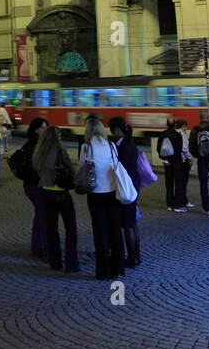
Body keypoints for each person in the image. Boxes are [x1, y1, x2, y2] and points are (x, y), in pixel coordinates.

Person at [80, 116, 125, 278]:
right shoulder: (112, 145)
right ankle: (118, 266)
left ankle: (103, 271)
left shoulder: (86, 148)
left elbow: (82, 169)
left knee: (100, 232)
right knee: (115, 230)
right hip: (113, 194)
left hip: (96, 195)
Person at [33, 120, 79, 272]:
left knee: (52, 229)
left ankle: (55, 262)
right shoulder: (59, 150)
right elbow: (69, 170)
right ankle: (71, 263)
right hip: (60, 192)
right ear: (56, 137)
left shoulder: (39, 152)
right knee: (70, 228)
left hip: (45, 192)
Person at [9, 118, 48, 259]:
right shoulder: (35, 146)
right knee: (43, 217)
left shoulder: (34, 144)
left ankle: (37, 248)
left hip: (32, 185)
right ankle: (43, 249)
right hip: (35, 186)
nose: (45, 130)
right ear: (36, 130)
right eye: (43, 128)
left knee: (40, 216)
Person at [111, 118, 142, 267]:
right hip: (134, 185)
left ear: (117, 130)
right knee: (133, 223)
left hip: (126, 187)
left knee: (128, 224)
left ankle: (131, 258)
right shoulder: (130, 142)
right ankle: (137, 254)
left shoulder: (121, 145)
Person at [157, 118, 191, 212]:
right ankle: (178, 205)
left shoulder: (162, 134)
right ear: (175, 125)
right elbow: (180, 149)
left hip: (167, 162)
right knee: (178, 183)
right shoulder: (178, 135)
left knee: (168, 183)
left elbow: (158, 149)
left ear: (167, 124)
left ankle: (169, 204)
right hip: (177, 162)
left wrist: (164, 160)